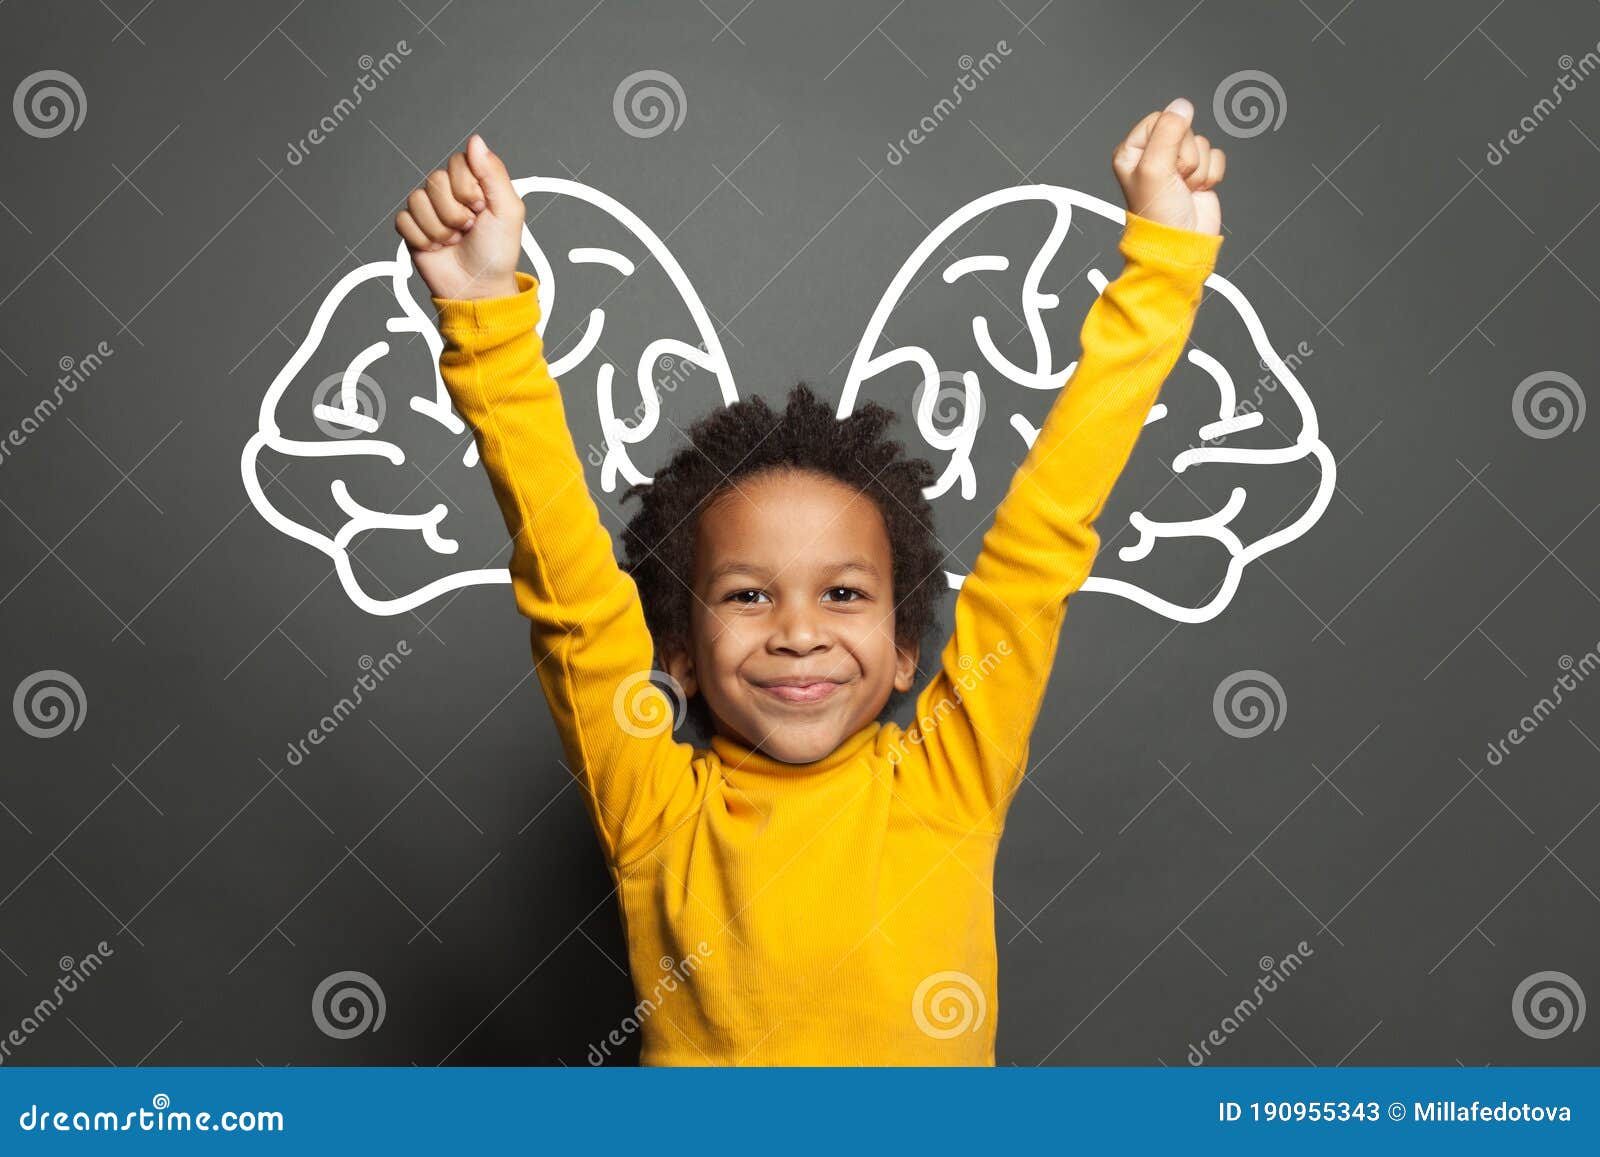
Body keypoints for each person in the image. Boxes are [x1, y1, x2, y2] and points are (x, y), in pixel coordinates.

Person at [395, 97, 1225, 1064]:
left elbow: (1044, 535)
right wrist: (486, 316)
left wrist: (1164, 265)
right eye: (748, 594)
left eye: (844, 593)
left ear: (906, 646)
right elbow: (571, 591)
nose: (798, 632)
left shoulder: (949, 781)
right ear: (679, 655)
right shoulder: (655, 807)